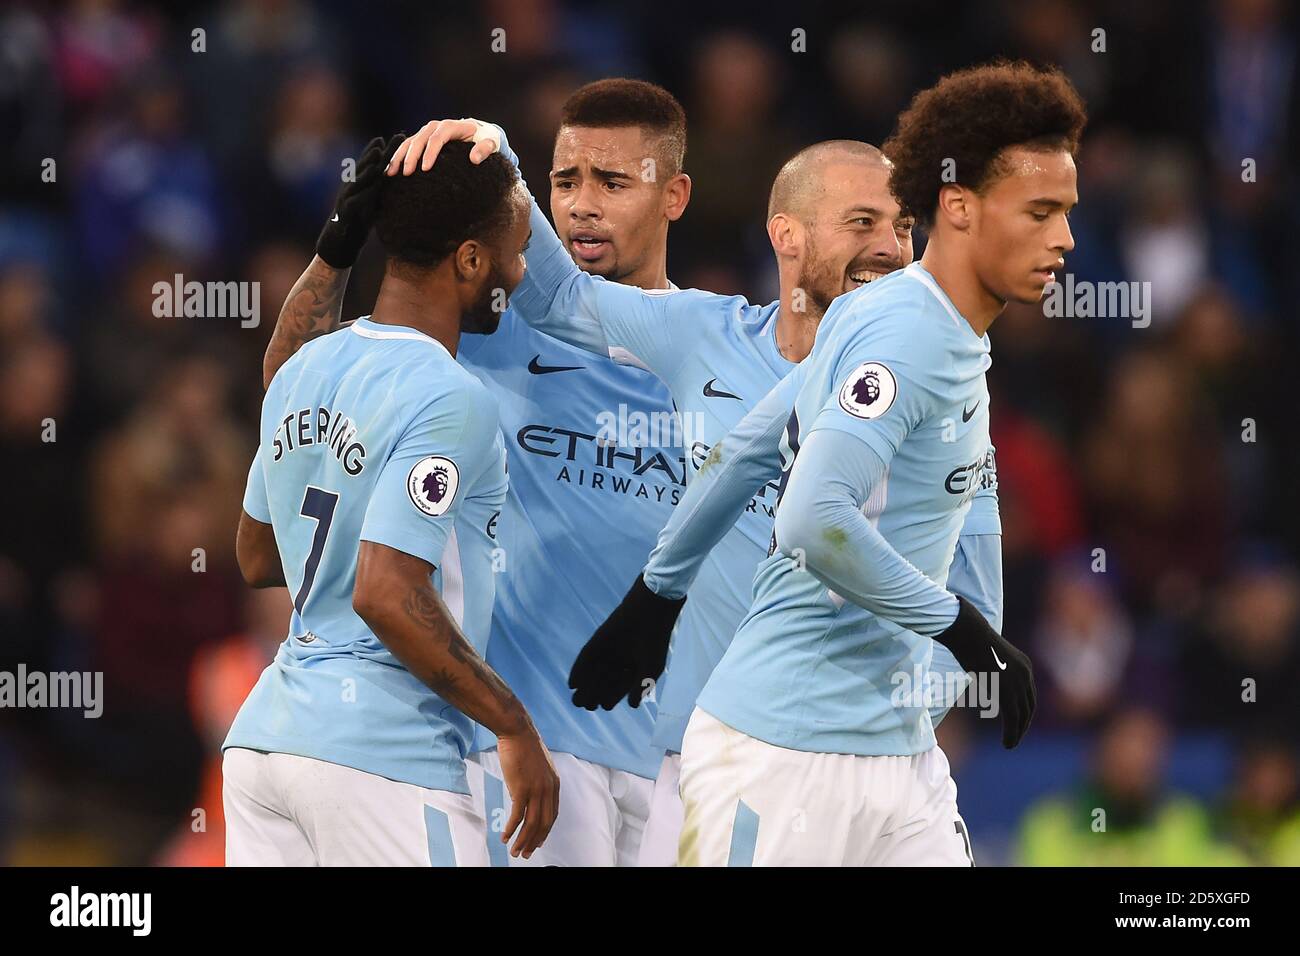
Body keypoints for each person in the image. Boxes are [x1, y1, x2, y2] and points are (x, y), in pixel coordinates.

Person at [387, 117, 918, 865]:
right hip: (637, 752)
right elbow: (556, 300)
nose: (893, 248)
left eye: (904, 228)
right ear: (787, 235)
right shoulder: (698, 335)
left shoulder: (927, 396)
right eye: (565, 182)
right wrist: (496, 156)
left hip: (829, 755)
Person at [265, 80, 691, 867]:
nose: (584, 205)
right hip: (527, 749)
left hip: (674, 756)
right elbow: (296, 393)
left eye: (613, 182)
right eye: (565, 182)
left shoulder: (716, 346)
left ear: (675, 196)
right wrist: (338, 247)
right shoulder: (488, 320)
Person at [669, 59, 1084, 865]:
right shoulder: (906, 333)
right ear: (958, 208)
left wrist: (655, 589)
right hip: (782, 758)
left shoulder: (944, 332)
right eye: (1040, 212)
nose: (1064, 237)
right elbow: (812, 516)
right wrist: (961, 628)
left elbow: (753, 444)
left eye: (1066, 212)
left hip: (896, 758)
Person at [224, 140, 558, 866]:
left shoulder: (305, 368)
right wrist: (513, 724)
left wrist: (332, 251)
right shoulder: (451, 397)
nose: (520, 273)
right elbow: (383, 591)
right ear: (470, 261)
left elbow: (256, 555)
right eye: (516, 252)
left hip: (265, 747)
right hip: (382, 754)